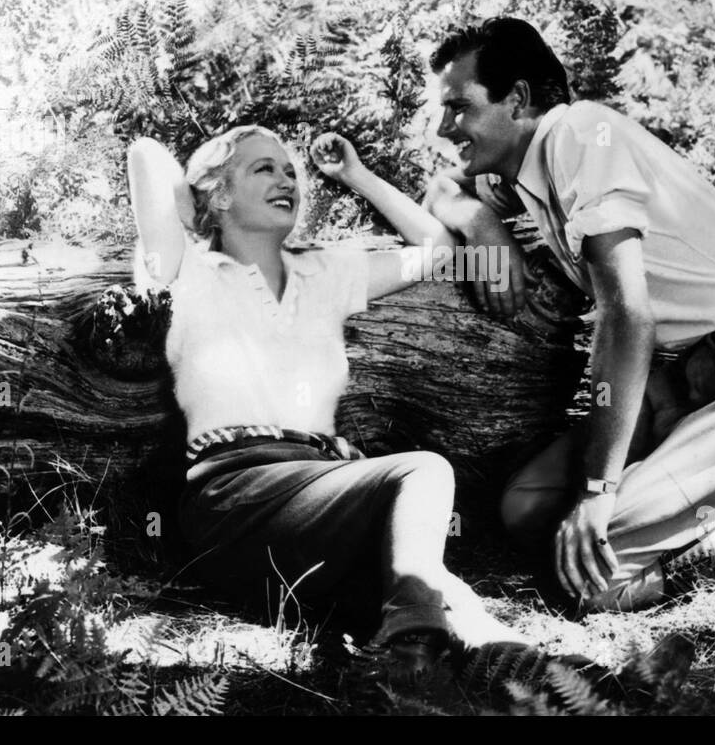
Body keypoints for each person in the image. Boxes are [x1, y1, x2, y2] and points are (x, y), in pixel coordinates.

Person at [422, 17, 715, 613]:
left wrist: (599, 491)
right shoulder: (524, 166)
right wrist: (483, 226)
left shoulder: (580, 134)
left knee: (589, 575)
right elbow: (439, 188)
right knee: (526, 508)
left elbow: (628, 318)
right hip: (681, 385)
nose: (445, 128)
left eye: (458, 108)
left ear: (517, 98)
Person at [127, 125, 523, 673]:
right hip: (234, 498)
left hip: (320, 502)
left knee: (455, 602)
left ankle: (555, 682)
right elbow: (146, 153)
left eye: (289, 170)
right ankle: (409, 646)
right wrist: (194, 208)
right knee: (422, 474)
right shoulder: (184, 270)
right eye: (262, 168)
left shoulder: (323, 273)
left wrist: (354, 175)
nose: (286, 177)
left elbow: (435, 250)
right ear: (215, 193)